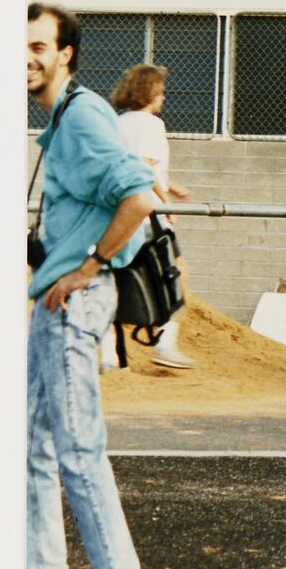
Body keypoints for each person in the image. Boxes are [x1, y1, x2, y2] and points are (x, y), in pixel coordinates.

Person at [27, 3, 159, 569]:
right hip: (57, 302)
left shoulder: (79, 118)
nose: (24, 58)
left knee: (78, 448)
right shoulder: (62, 120)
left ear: (65, 53)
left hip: (73, 300)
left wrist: (86, 263)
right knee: (34, 442)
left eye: (36, 46)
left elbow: (139, 195)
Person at [108, 63, 196, 370]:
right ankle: (165, 341)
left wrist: (169, 184)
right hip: (147, 214)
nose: (164, 97)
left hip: (116, 213)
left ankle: (110, 353)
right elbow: (143, 168)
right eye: (161, 91)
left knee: (114, 277)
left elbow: (128, 165)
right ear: (150, 92)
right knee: (176, 273)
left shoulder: (118, 123)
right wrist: (167, 202)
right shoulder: (151, 124)